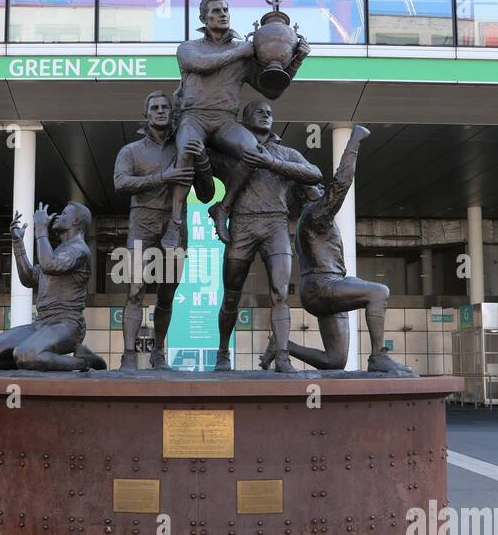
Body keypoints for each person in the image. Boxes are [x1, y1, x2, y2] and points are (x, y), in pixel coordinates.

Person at [258, 125, 416, 376]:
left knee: (335, 361)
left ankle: (283, 344)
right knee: (379, 292)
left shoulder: (309, 219)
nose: (321, 190)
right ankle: (378, 357)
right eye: (315, 187)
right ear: (303, 195)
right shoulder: (315, 214)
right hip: (323, 287)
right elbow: (341, 183)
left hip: (321, 290)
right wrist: (355, 141)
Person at [172, 0, 309, 245]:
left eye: (225, 10)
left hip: (225, 120)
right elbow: (202, 64)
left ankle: (222, 208)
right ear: (203, 18)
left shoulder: (243, 52)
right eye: (215, 11)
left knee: (254, 151)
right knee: (185, 151)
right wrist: (242, 51)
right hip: (194, 117)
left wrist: (297, 60)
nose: (222, 14)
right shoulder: (189, 48)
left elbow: (272, 91)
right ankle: (174, 222)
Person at [209, 100, 322, 373]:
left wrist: (271, 161)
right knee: (231, 296)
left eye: (270, 113)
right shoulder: (230, 153)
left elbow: (314, 173)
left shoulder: (285, 153)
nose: (266, 115)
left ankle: (282, 355)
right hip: (242, 225)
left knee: (280, 293)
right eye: (259, 111)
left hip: (276, 225)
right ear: (245, 119)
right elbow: (202, 155)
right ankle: (223, 351)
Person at [113, 91, 214, 370]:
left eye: (165, 107)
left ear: (173, 113)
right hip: (142, 224)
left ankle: (158, 352)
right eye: (154, 108)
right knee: (136, 288)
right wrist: (163, 177)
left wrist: (203, 159)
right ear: (145, 114)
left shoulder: (184, 146)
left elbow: (207, 194)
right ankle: (129, 355)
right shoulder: (131, 151)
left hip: (175, 224)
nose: (160, 111)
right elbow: (120, 183)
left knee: (167, 294)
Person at [0, 202, 106, 371]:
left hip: (67, 325)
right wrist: (18, 242)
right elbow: (29, 278)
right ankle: (35, 362)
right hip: (41, 324)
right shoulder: (57, 251)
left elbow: (49, 265)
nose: (58, 216)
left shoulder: (79, 249)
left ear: (76, 221)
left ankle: (83, 361)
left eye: (64, 213)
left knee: (26, 355)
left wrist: (40, 229)